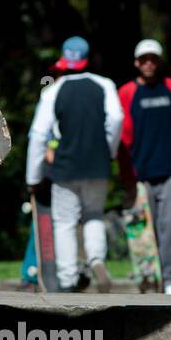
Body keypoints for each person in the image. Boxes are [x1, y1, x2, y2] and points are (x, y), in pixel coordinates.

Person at [26, 36, 123, 292]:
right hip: (97, 166)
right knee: (94, 213)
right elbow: (116, 119)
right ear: (87, 60)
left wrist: (33, 177)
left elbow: (38, 135)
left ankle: (68, 279)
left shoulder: (53, 91)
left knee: (65, 221)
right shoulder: (105, 85)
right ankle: (96, 259)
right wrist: (109, 151)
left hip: (65, 167)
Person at [118, 39, 171, 295]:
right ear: (136, 63)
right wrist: (126, 174)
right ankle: (148, 278)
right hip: (139, 175)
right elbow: (121, 138)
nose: (149, 64)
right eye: (144, 60)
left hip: (170, 172)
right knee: (142, 230)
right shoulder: (127, 93)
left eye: (153, 59)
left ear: (159, 62)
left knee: (169, 226)